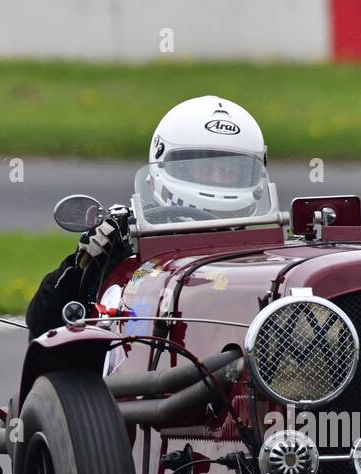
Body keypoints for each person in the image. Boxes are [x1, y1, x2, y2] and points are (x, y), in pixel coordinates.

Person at [26, 95, 269, 338]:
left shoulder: (270, 253)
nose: (216, 179)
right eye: (203, 168)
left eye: (229, 171)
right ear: (162, 162)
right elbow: (41, 326)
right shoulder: (124, 240)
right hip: (139, 362)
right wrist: (80, 264)